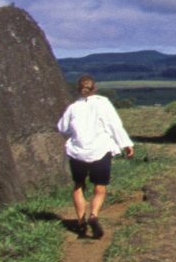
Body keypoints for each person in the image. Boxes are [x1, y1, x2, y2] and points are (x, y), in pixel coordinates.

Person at [56, 75, 133, 239]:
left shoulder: (72, 107)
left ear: (79, 90)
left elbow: (62, 127)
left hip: (77, 151)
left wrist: (75, 133)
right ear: (95, 88)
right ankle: (94, 215)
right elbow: (114, 125)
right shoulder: (103, 103)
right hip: (100, 149)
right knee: (100, 187)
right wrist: (126, 144)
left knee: (78, 185)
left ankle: (81, 221)